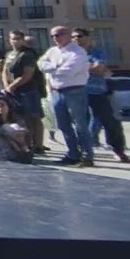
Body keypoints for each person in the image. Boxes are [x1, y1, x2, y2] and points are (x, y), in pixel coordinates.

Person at [38, 25, 94, 167]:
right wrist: (55, 67)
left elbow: (70, 70)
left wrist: (52, 69)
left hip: (75, 90)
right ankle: (73, 154)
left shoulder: (78, 52)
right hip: (57, 91)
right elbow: (41, 64)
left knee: (80, 124)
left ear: (67, 35)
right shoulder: (52, 51)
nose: (55, 38)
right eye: (53, 36)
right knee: (63, 125)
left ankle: (87, 156)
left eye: (58, 35)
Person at [73, 28, 130, 163]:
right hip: (76, 92)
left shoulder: (97, 52)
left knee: (111, 121)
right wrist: (87, 67)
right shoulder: (71, 53)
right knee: (80, 124)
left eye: (79, 36)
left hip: (96, 92)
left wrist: (79, 67)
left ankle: (118, 150)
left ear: (87, 37)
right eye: (73, 37)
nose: (76, 39)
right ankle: (83, 152)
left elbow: (99, 68)